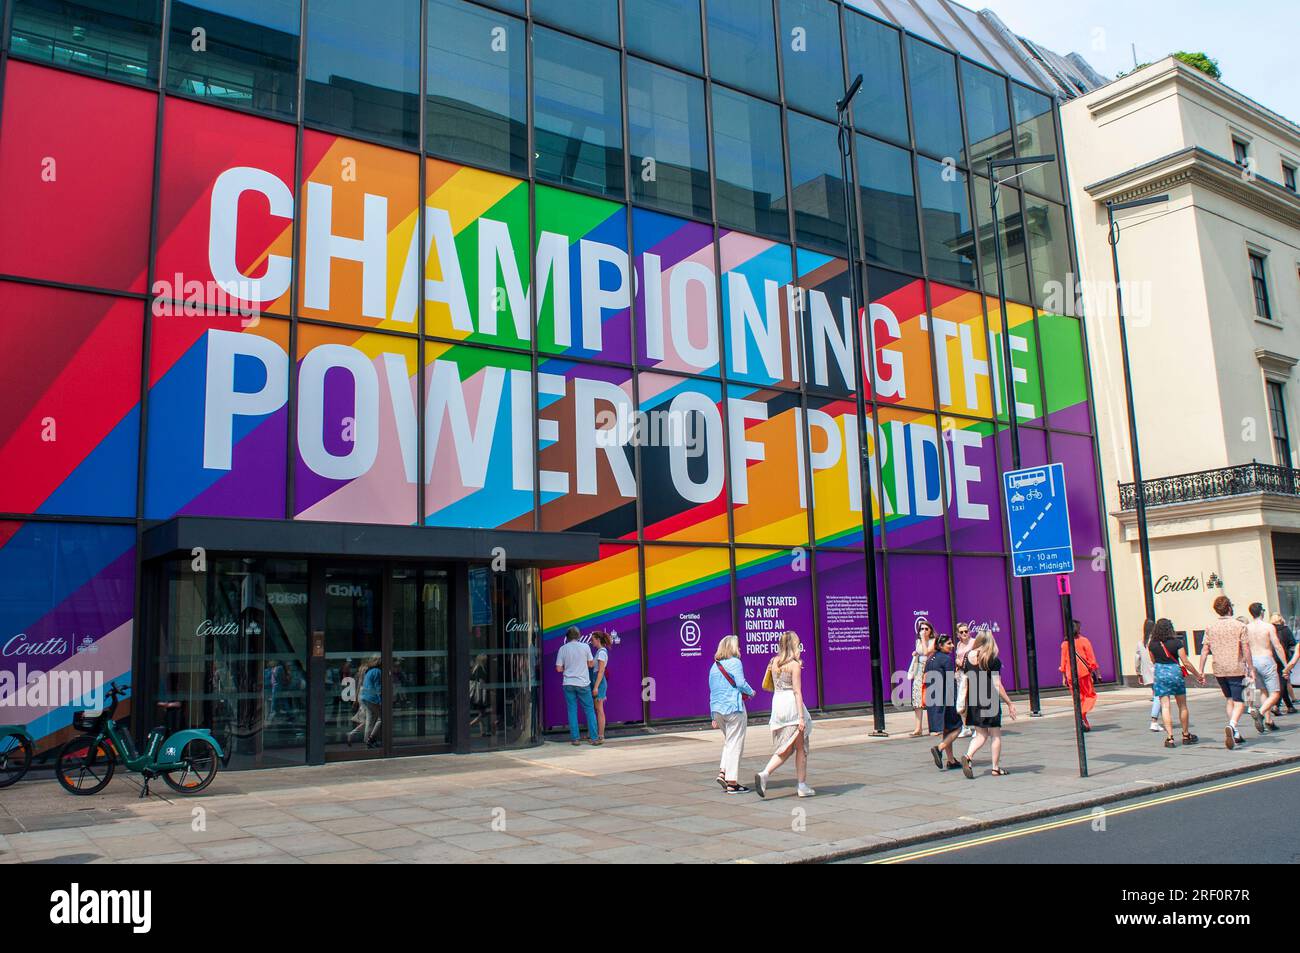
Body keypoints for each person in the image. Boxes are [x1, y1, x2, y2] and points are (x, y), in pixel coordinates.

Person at [754, 631, 814, 799]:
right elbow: (797, 691)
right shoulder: (794, 664)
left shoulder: (774, 661)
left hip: (777, 703)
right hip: (791, 706)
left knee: (787, 746)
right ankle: (800, 784)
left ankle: (766, 774)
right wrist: (801, 717)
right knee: (801, 747)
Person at [960, 631, 1017, 777]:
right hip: (989, 700)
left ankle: (968, 756)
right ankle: (995, 768)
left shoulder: (967, 657)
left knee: (980, 735)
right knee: (995, 735)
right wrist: (1010, 703)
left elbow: (966, 678)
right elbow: (997, 684)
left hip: (974, 700)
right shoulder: (992, 659)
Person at [1197, 596, 1252, 748]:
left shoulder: (1210, 628)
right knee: (1239, 702)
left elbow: (1205, 650)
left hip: (1219, 669)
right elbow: (1246, 649)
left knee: (1229, 699)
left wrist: (1200, 671)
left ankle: (1235, 733)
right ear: (1229, 608)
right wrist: (1251, 668)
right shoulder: (1239, 626)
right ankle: (1232, 726)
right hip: (1236, 668)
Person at [709, 635, 756, 794]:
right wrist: (751, 692)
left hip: (718, 711)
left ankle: (723, 772)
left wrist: (712, 716)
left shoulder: (714, 667)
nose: (740, 649)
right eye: (738, 646)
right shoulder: (735, 662)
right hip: (734, 709)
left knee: (729, 742)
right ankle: (732, 783)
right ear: (732, 647)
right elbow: (741, 683)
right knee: (735, 744)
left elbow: (712, 692)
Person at [1148, 617, 1203, 747]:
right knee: (1182, 706)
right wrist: (1198, 675)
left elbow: (1153, 660)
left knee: (1165, 706)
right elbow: (1186, 663)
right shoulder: (1177, 642)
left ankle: (1170, 738)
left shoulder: (1152, 644)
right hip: (1175, 674)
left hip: (1160, 674)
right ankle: (1185, 734)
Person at [1245, 603, 1286, 733]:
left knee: (1263, 691)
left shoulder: (1247, 627)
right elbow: (1277, 646)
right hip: (1266, 659)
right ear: (1261, 612)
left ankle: (1268, 721)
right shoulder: (1268, 627)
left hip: (1253, 661)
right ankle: (1261, 713)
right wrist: (1285, 664)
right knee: (1275, 693)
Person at [555, 626, 599, 746]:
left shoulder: (562, 649)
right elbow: (591, 664)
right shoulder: (585, 647)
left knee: (572, 711)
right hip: (583, 683)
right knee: (589, 710)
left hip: (568, 683)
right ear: (579, 636)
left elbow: (559, 668)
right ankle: (594, 738)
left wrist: (568, 668)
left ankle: (575, 739)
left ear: (567, 637)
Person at [925, 633, 963, 770]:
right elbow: (950, 682)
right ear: (940, 645)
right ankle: (939, 748)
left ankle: (951, 760)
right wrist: (956, 701)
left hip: (934, 700)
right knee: (958, 728)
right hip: (947, 700)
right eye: (949, 644)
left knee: (947, 729)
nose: (952, 646)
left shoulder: (930, 660)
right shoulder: (946, 660)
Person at [1059, 620, 1100, 732]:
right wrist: (1095, 672)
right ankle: (1081, 715)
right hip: (1084, 673)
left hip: (1070, 674)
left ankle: (1084, 722)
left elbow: (1063, 662)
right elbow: (1091, 658)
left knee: (1079, 699)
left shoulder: (1064, 644)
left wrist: (1063, 677)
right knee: (1090, 696)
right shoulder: (1084, 641)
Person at [908, 619, 937, 737]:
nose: (923, 631)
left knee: (931, 698)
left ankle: (935, 726)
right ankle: (918, 728)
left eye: (926, 629)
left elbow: (926, 652)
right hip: (919, 670)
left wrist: (924, 640)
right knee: (917, 698)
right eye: (921, 629)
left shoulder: (934, 641)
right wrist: (915, 653)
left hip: (930, 669)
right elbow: (920, 653)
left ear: (930, 631)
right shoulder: (918, 641)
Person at [347, 654, 383, 748]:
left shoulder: (369, 671)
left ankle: (367, 739)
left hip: (364, 697)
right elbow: (378, 688)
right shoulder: (377, 671)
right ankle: (369, 740)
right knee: (380, 719)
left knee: (369, 720)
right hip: (372, 698)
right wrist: (381, 700)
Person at [1136, 620, 1162, 732]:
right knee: (1159, 696)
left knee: (1158, 695)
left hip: (1147, 672)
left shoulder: (1140, 643)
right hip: (1157, 671)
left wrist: (1138, 672)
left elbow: (1137, 659)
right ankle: (1154, 721)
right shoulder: (1156, 641)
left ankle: (1162, 719)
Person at [1270, 613, 1297, 714]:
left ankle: (1289, 706)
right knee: (1283, 681)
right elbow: (1292, 643)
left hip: (1271, 658)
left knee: (1282, 682)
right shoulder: (1285, 629)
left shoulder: (1270, 629)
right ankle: (1276, 705)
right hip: (1283, 657)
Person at [954, 623, 975, 738]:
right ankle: (965, 727)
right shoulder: (959, 644)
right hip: (961, 674)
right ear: (958, 634)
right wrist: (958, 665)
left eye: (966, 631)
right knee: (962, 701)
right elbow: (958, 658)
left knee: (973, 701)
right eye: (961, 632)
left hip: (972, 674)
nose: (964, 634)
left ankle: (978, 727)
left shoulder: (974, 642)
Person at [589, 631, 610, 742]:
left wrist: (596, 687)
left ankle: (601, 736)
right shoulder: (599, 652)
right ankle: (597, 734)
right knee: (597, 709)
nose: (591, 642)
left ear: (598, 639)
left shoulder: (601, 652)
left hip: (599, 682)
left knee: (599, 709)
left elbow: (601, 671)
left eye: (592, 639)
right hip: (596, 680)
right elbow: (591, 664)